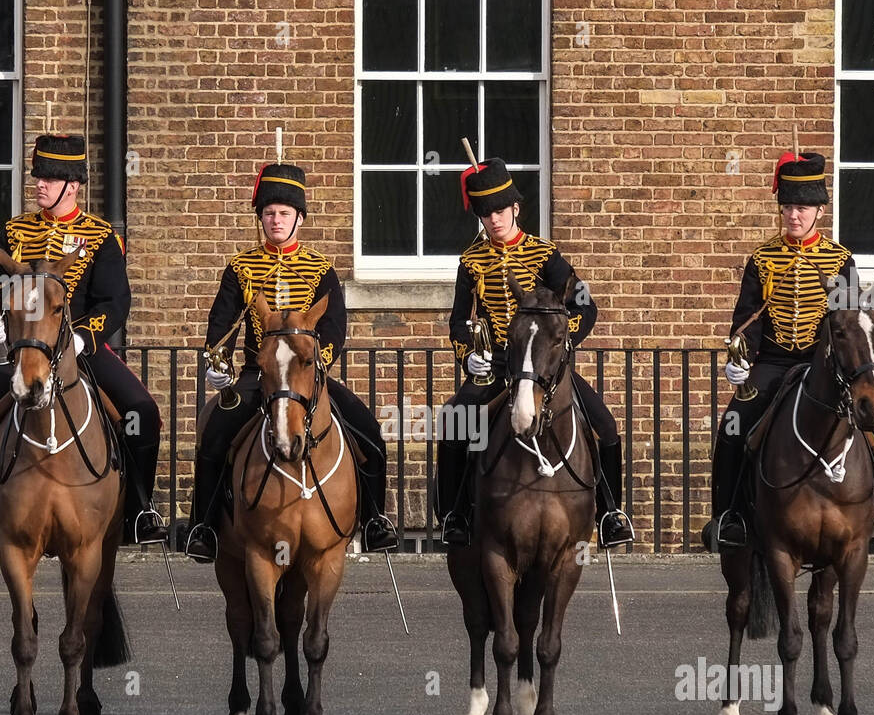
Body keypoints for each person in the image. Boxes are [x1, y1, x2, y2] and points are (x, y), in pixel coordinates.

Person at [0, 134, 168, 552]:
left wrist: (86, 337)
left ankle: (140, 509)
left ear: (74, 185)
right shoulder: (14, 232)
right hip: (23, 352)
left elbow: (115, 300)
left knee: (142, 411)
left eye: (50, 178)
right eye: (39, 177)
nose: (40, 185)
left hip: (80, 349)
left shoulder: (100, 236)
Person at [183, 160, 399, 562]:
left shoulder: (321, 269)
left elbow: (334, 327)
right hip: (257, 375)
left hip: (306, 377)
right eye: (268, 214)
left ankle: (373, 520)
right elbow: (222, 321)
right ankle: (205, 526)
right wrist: (218, 360)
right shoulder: (242, 267)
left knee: (369, 431)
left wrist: (316, 365)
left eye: (283, 213)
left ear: (299, 218)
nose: (275, 220)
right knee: (215, 432)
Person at [702, 150, 874, 550]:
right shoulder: (762, 259)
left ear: (818, 212)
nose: (793, 216)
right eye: (787, 208)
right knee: (732, 426)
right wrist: (739, 361)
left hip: (825, 364)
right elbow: (746, 321)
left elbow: (850, 322)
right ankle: (728, 517)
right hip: (775, 362)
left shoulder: (840, 259)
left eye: (801, 208)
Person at [436, 156, 635, 549]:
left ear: (515, 208)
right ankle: (455, 514)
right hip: (495, 368)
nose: (493, 219)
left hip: (545, 368)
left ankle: (611, 513)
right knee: (454, 424)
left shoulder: (545, 255)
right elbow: (458, 321)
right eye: (484, 213)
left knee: (606, 426)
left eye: (499, 210)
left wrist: (557, 347)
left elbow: (585, 306)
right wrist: (468, 355)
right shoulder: (470, 262)